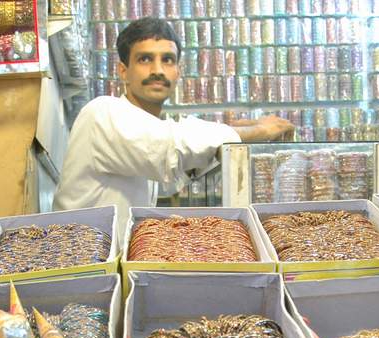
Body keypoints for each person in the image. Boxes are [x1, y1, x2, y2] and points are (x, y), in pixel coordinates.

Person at [53, 18, 295, 217]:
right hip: (83, 260)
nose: (158, 70)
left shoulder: (145, 129)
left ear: (178, 72)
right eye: (145, 59)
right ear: (123, 71)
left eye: (167, 60)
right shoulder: (102, 112)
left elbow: (170, 179)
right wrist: (257, 131)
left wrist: (234, 136)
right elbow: (172, 146)